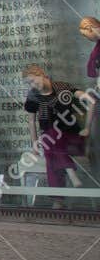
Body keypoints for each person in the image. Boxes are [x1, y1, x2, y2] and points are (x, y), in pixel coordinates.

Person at [23, 65, 91, 205]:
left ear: (41, 74)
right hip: (54, 143)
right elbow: (31, 121)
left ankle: (58, 200)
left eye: (33, 80)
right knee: (50, 142)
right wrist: (35, 144)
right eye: (29, 83)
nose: (32, 85)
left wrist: (88, 128)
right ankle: (69, 172)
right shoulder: (33, 96)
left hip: (73, 140)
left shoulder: (62, 88)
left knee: (50, 140)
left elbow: (90, 101)